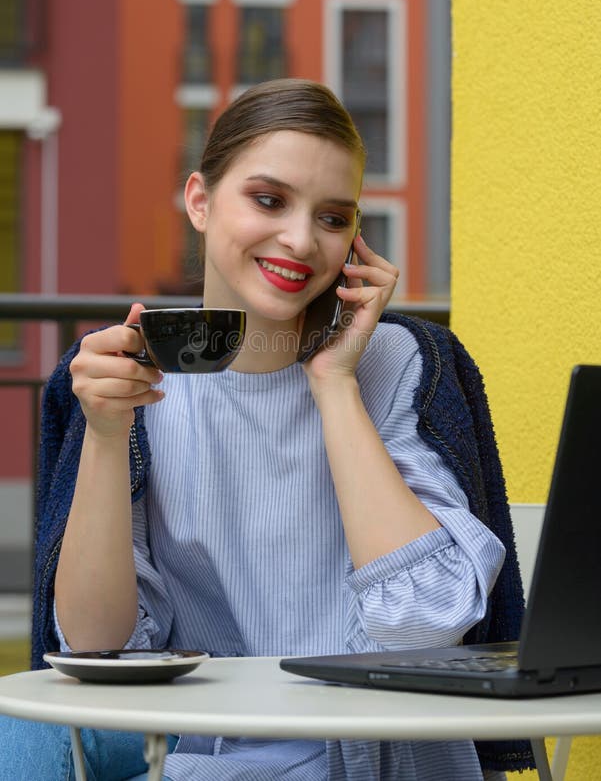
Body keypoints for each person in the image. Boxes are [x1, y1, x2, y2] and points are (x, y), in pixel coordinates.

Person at [2, 79, 525, 780]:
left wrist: (334, 382)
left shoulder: (400, 361)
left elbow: (423, 623)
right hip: (211, 751)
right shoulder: (127, 373)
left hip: (371, 755)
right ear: (199, 200)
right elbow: (99, 649)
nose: (301, 240)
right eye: (268, 200)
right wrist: (102, 433)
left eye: (333, 218)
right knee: (22, 732)